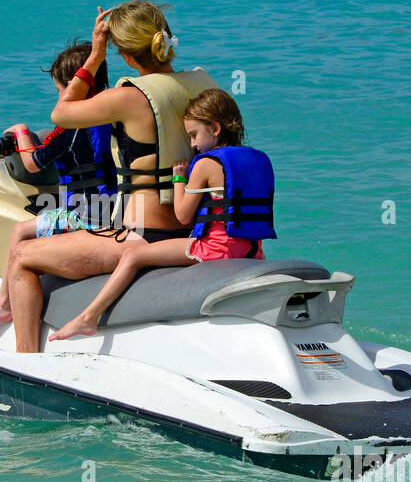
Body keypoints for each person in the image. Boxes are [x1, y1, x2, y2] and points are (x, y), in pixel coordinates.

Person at [0, 0, 221, 353]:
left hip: (145, 234)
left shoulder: (129, 97)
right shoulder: (204, 82)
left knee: (22, 256)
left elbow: (62, 113)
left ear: (127, 56)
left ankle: (27, 365)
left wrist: (95, 54)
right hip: (194, 227)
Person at [49, 89, 274, 341]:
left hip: (214, 249)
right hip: (253, 251)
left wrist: (179, 177)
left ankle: (88, 317)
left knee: (133, 255)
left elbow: (183, 216)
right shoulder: (258, 159)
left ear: (215, 127)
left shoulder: (205, 164)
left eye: (193, 135)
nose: (193, 144)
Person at [0, 41, 114, 327]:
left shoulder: (70, 126)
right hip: (114, 210)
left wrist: (22, 132)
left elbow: (34, 162)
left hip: (86, 218)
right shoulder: (113, 114)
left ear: (75, 88)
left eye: (61, 90)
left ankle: (3, 303)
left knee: (19, 231)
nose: (60, 98)